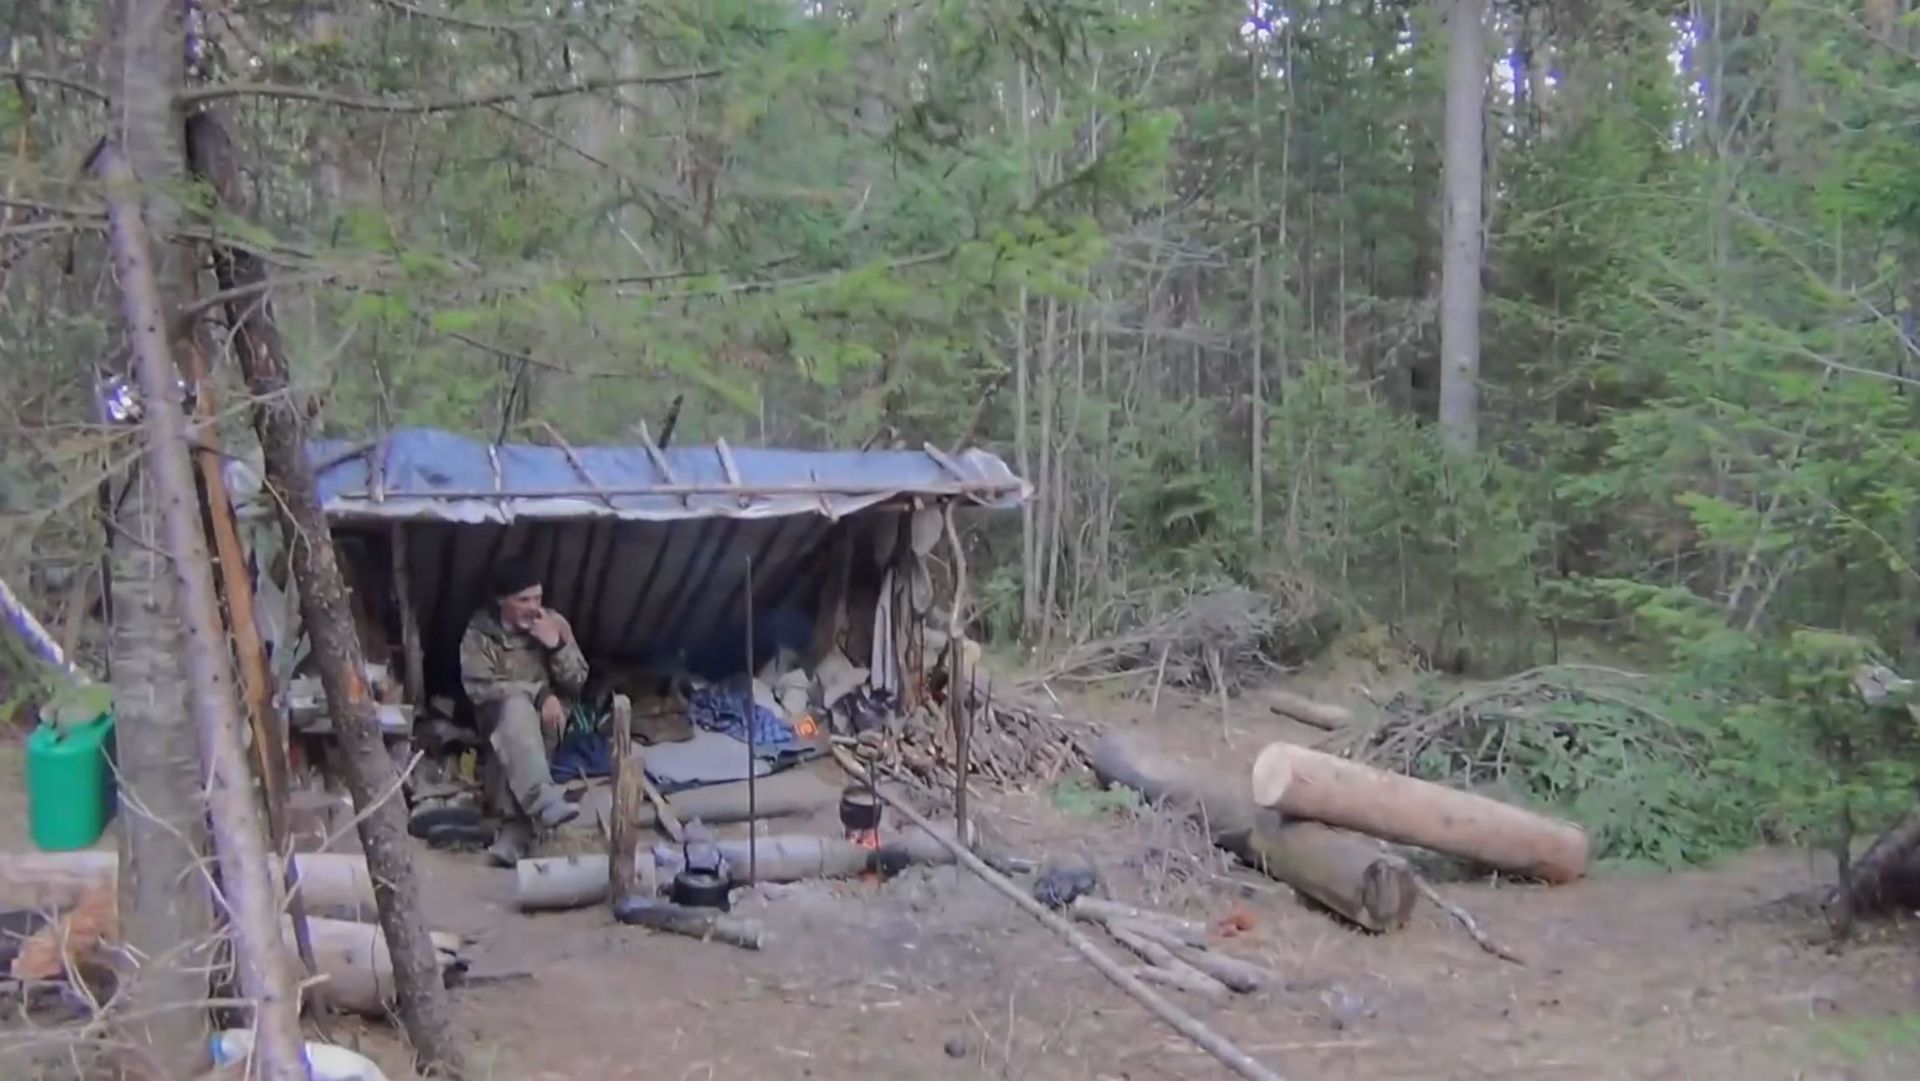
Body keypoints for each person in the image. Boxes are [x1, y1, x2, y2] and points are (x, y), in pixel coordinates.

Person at [460, 555, 586, 864]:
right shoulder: (480, 635)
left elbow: (578, 681)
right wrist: (539, 693)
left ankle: (514, 834)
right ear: (502, 600)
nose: (534, 606)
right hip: (498, 722)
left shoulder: (553, 623)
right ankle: (541, 803)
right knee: (515, 711)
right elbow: (479, 687)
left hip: (549, 725)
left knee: (519, 740)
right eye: (524, 599)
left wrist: (556, 646)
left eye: (538, 597)